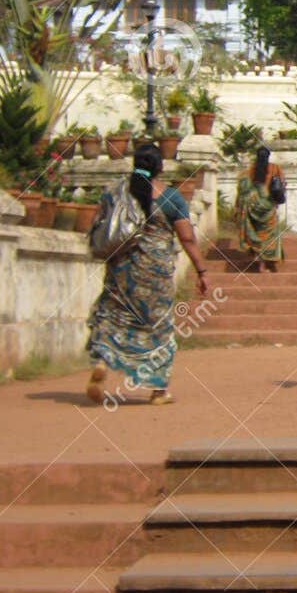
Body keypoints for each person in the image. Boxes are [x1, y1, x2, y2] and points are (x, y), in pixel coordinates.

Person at [86, 144, 210, 407]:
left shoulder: (115, 192)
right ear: (159, 167)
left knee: (112, 315)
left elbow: (100, 225)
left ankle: (101, 362)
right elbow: (187, 238)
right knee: (158, 327)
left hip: (122, 269)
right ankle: (158, 390)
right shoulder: (171, 198)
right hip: (155, 274)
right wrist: (201, 271)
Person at [236, 146, 287, 271]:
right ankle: (264, 264)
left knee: (256, 235)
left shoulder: (248, 172)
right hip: (268, 208)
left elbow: (242, 189)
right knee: (268, 236)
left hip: (252, 208)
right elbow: (282, 184)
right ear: (268, 156)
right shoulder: (275, 168)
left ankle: (258, 261)